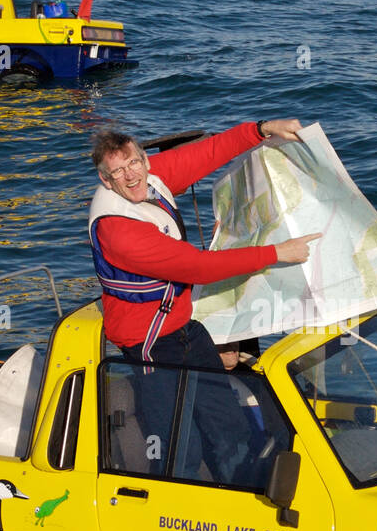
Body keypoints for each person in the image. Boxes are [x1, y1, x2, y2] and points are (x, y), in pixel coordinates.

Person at [89, 119, 319, 479]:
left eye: (133, 163)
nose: (130, 175)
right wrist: (277, 253)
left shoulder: (149, 177)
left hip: (183, 327)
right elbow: (197, 268)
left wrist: (262, 129)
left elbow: (205, 154)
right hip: (149, 343)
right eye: (117, 171)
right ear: (106, 180)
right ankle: (170, 511)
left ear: (144, 160)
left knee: (230, 424)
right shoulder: (120, 231)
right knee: (178, 444)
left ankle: (242, 495)